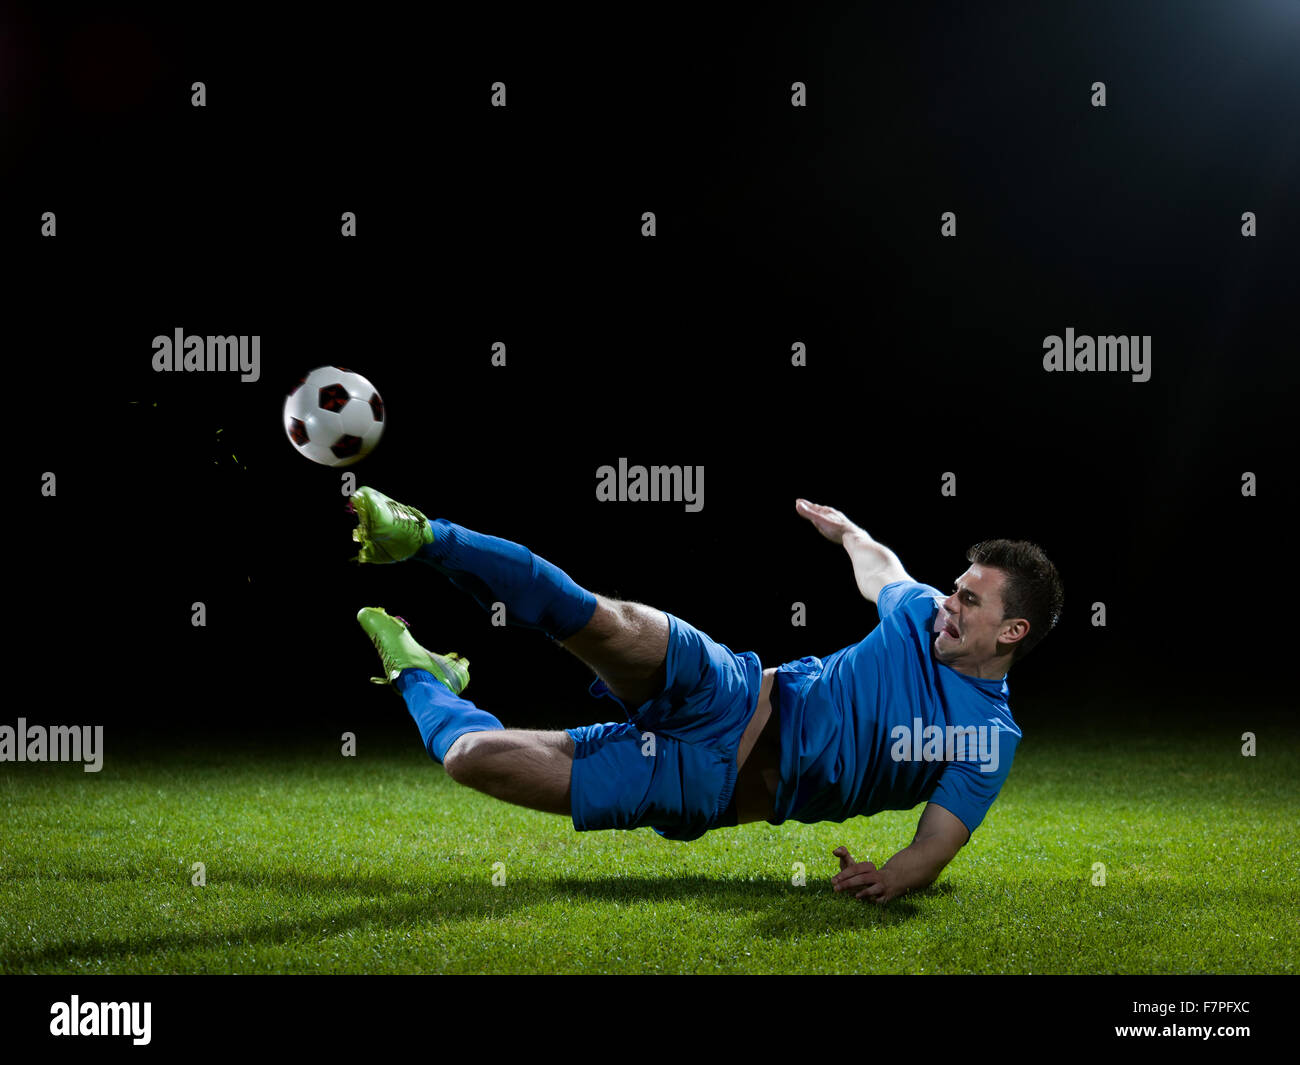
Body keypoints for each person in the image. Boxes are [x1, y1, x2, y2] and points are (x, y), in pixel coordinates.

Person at [350, 487, 1063, 905]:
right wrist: (849, 532)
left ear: (1013, 630)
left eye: (969, 601)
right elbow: (884, 569)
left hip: (704, 783)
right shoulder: (917, 613)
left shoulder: (986, 739)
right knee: (603, 618)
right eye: (954, 587)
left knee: (471, 758)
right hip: (730, 688)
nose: (947, 603)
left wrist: (889, 878)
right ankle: (423, 535)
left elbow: (937, 844)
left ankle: (422, 673)